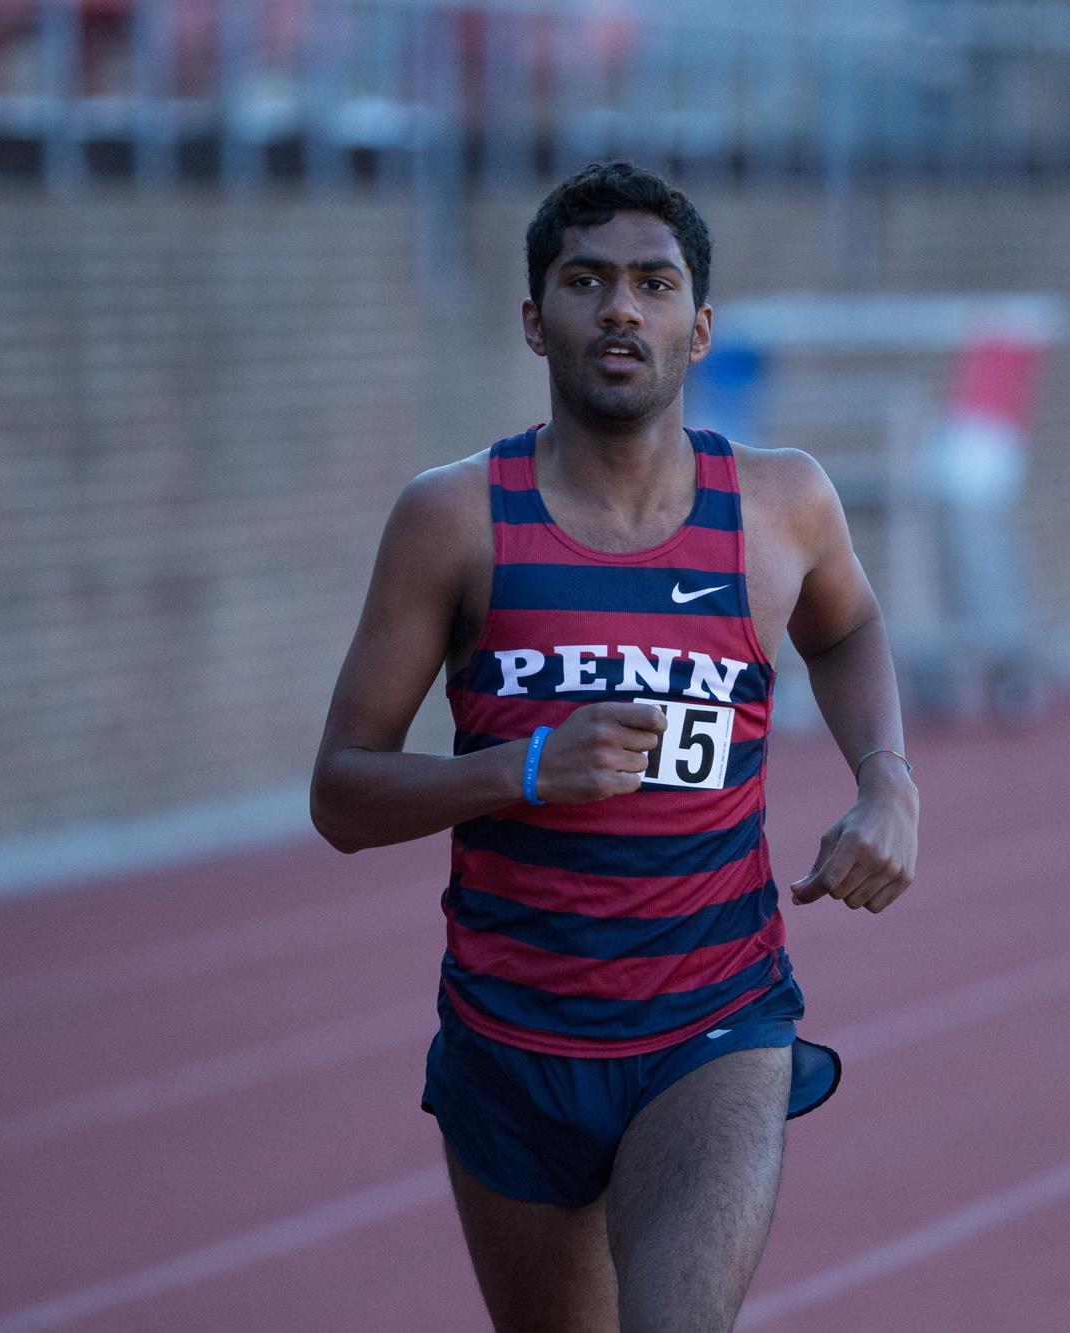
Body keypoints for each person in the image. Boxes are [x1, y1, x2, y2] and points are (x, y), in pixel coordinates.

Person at [310, 161, 919, 1333]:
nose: (621, 309)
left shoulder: (779, 506)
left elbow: (847, 628)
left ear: (700, 324)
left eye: (653, 283)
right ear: (536, 320)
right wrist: (525, 769)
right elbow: (341, 792)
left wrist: (885, 780)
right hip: (512, 1032)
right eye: (586, 282)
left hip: (712, 1017)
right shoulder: (454, 518)